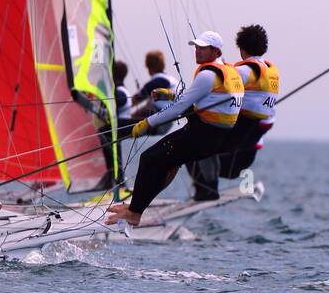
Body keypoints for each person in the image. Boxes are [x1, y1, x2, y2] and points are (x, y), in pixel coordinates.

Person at [104, 30, 243, 227]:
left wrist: (146, 123)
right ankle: (136, 208)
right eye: (196, 47)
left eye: (202, 48)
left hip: (203, 134)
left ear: (215, 50)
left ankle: (134, 211)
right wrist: (170, 95)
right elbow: (196, 97)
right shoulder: (228, 71)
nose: (197, 51)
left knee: (149, 158)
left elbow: (179, 109)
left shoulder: (208, 75)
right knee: (166, 164)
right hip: (216, 136)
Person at [218, 23, 279, 180]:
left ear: (241, 49)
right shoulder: (271, 72)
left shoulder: (242, 71)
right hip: (249, 149)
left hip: (232, 149)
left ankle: (206, 189)